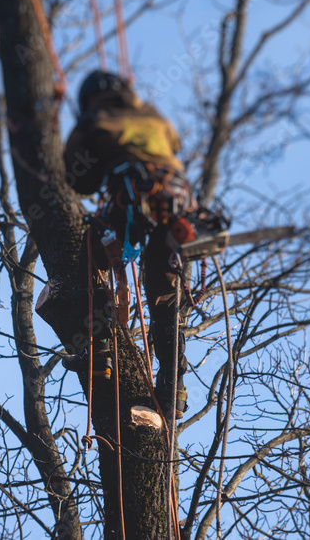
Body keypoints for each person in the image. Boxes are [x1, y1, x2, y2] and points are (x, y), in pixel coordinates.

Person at [62, 70, 195, 418]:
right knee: (166, 294)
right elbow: (175, 146)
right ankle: (173, 387)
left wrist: (90, 138)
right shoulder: (155, 116)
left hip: (132, 196)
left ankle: (99, 349)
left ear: (89, 98)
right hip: (177, 201)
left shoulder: (95, 119)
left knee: (91, 254)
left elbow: (80, 180)